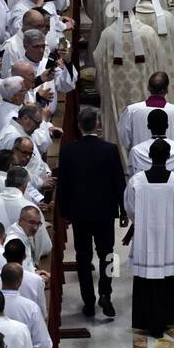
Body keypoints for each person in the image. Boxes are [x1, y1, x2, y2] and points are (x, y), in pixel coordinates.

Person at [55, 107, 126, 320]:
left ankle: (88, 300)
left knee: (83, 258)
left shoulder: (68, 151)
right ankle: (106, 292)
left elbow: (63, 186)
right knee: (109, 254)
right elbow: (119, 182)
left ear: (79, 126)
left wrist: (64, 212)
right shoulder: (110, 149)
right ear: (97, 124)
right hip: (105, 213)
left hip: (79, 214)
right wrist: (123, 210)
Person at [124, 140, 174, 338]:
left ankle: (146, 319)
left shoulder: (136, 181)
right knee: (167, 279)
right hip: (169, 239)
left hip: (145, 239)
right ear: (169, 157)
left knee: (147, 280)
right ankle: (165, 318)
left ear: (150, 157)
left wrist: (141, 222)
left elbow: (130, 208)